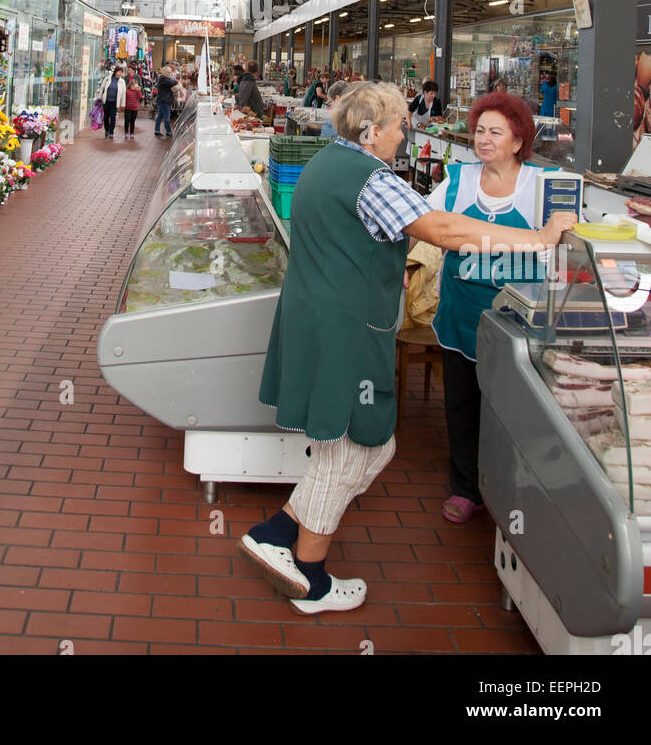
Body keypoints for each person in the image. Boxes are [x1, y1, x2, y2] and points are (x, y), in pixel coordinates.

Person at [239, 81, 575, 614]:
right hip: (347, 329)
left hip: (317, 317)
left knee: (360, 445)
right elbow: (442, 228)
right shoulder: (370, 177)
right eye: (398, 125)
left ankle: (277, 531)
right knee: (356, 446)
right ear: (373, 132)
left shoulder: (328, 161)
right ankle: (309, 575)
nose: (404, 133)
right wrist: (538, 238)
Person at [429, 91, 561, 524]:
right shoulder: (458, 180)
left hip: (518, 321)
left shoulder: (542, 187)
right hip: (462, 313)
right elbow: (426, 225)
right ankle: (466, 488)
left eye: (495, 132)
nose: (484, 140)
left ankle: (510, 489)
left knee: (510, 406)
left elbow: (563, 246)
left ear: (519, 140)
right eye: (480, 131)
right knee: (462, 402)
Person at [101, 66, 126, 140]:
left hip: (115, 102)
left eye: (121, 72)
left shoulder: (122, 82)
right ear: (115, 72)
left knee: (113, 117)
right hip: (106, 101)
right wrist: (99, 98)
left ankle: (111, 132)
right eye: (119, 72)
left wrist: (122, 104)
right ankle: (106, 130)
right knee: (106, 117)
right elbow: (102, 87)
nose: (120, 73)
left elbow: (123, 93)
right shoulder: (108, 78)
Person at [154, 65, 177, 139]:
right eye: (169, 73)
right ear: (165, 72)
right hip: (164, 101)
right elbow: (173, 82)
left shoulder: (162, 79)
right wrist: (175, 81)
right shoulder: (164, 79)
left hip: (162, 100)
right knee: (167, 117)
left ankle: (157, 130)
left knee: (160, 116)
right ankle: (168, 131)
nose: (170, 74)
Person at [124, 74, 143, 140]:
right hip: (127, 109)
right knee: (127, 121)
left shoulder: (137, 91)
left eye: (137, 84)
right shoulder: (127, 91)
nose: (137, 85)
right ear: (132, 85)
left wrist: (139, 90)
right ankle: (126, 133)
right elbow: (124, 99)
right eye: (136, 84)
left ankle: (132, 133)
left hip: (135, 109)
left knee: (132, 121)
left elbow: (140, 97)